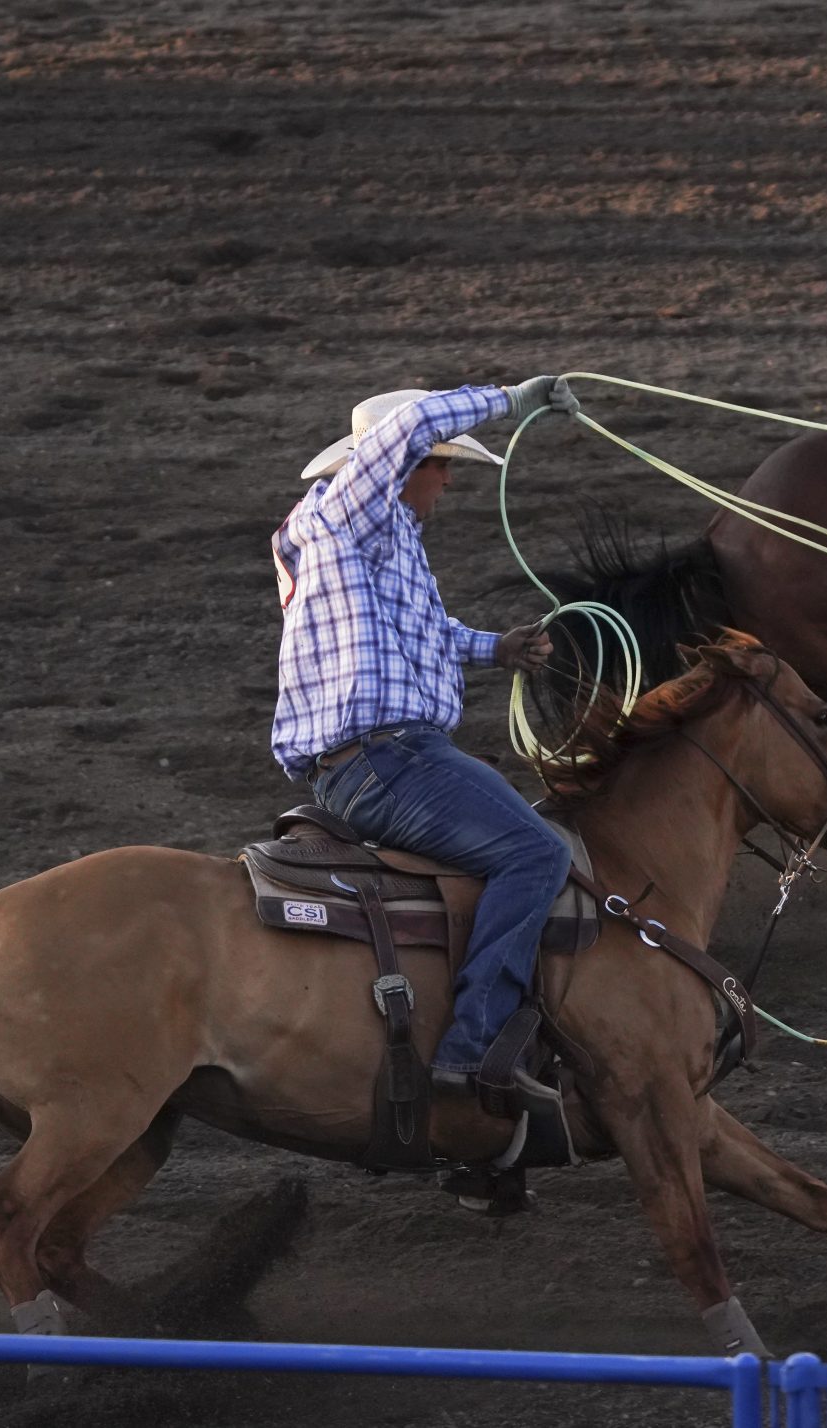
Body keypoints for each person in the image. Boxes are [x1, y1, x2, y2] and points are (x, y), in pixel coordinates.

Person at [270, 376, 580, 1114]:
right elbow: (412, 423)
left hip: (382, 757)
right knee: (538, 853)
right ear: (403, 468)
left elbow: (422, 632)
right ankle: (473, 1051)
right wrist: (516, 396)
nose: (447, 478)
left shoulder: (382, 540)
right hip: (389, 759)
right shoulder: (348, 514)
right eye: (441, 464)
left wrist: (493, 648)